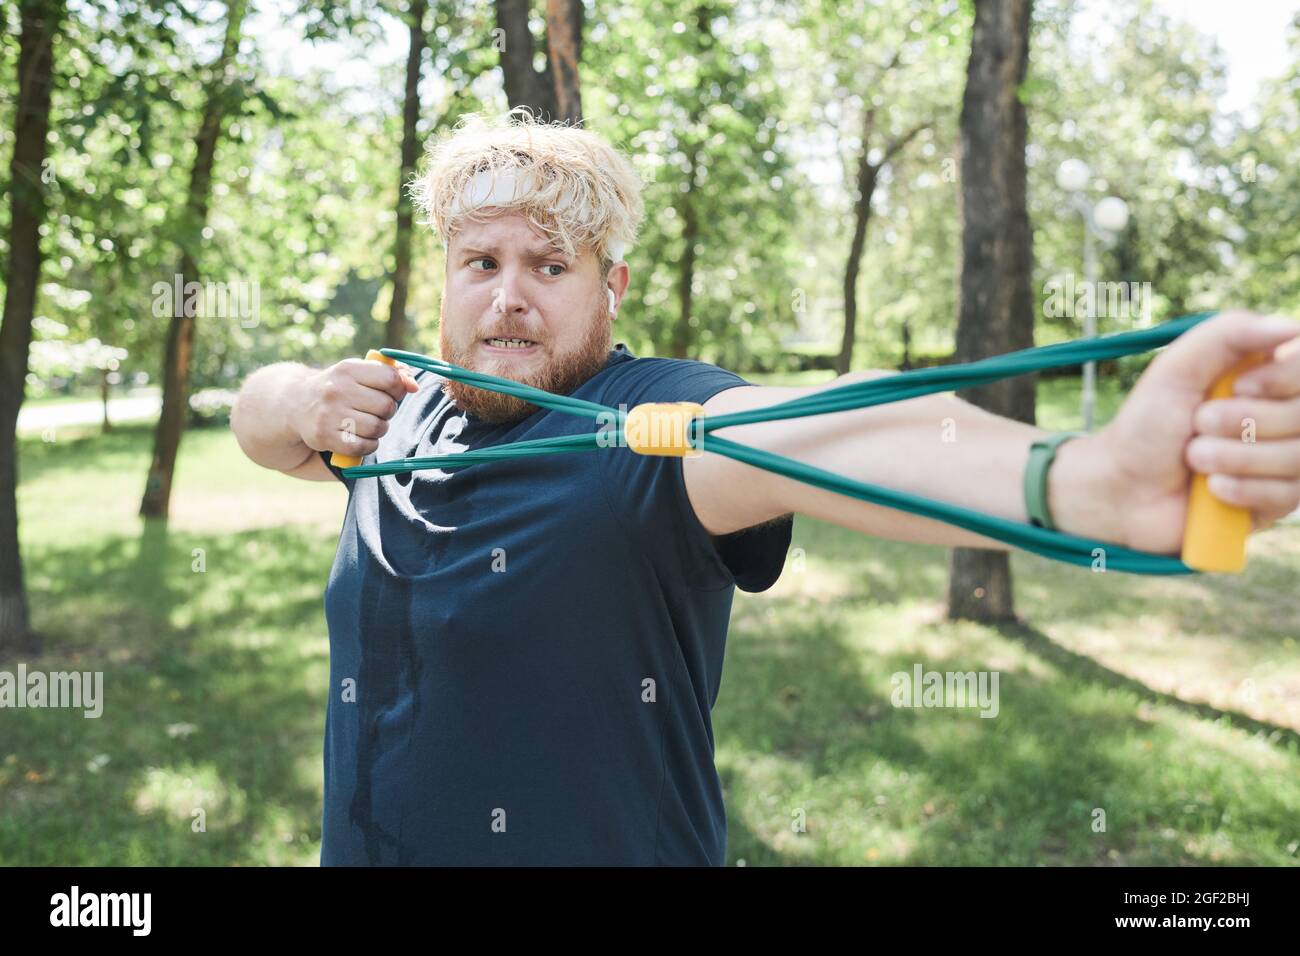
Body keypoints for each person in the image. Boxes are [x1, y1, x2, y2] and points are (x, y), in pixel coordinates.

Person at [230, 110, 1300, 865]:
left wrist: (1080, 477)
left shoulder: (647, 426)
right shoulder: (393, 412)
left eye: (550, 267)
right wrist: (302, 397)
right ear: (445, 277)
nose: (509, 298)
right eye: (482, 263)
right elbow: (257, 417)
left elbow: (827, 427)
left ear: (612, 287)